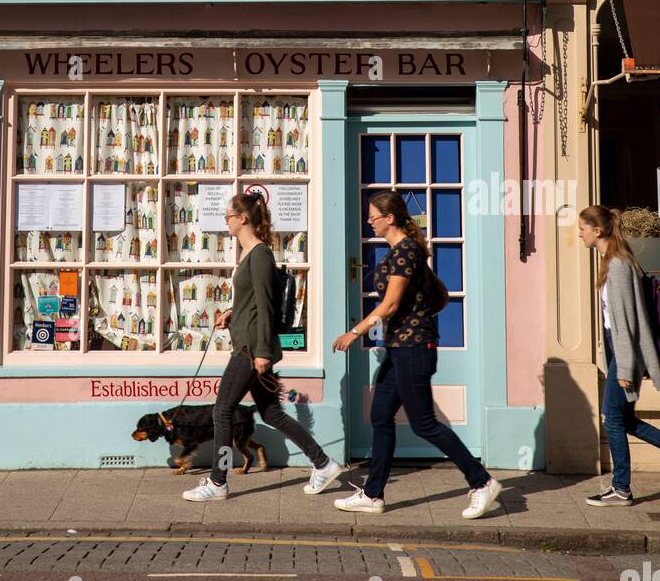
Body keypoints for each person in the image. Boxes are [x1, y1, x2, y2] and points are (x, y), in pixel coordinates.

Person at [331, 190, 501, 518]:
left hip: (413, 350)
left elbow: (391, 303)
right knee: (381, 416)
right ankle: (373, 494)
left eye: (373, 216)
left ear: (389, 218)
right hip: (400, 349)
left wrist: (354, 332)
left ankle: (481, 482)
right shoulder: (403, 251)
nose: (369, 221)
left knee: (424, 424)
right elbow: (438, 295)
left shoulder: (405, 251)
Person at [183, 192, 341, 501]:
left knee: (223, 411)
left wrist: (263, 353)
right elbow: (251, 301)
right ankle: (323, 463)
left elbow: (266, 307)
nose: (226, 221)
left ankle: (218, 481)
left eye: (229, 216)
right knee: (271, 414)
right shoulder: (248, 254)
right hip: (248, 343)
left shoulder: (259, 255)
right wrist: (231, 313)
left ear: (242, 219)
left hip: (251, 349)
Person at [578, 204, 660, 505]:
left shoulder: (618, 265)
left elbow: (626, 323)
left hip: (625, 351)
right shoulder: (610, 261)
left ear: (597, 230)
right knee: (625, 419)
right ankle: (620, 487)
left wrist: (625, 368)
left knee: (611, 417)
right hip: (618, 349)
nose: (580, 234)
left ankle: (621, 488)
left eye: (583, 228)